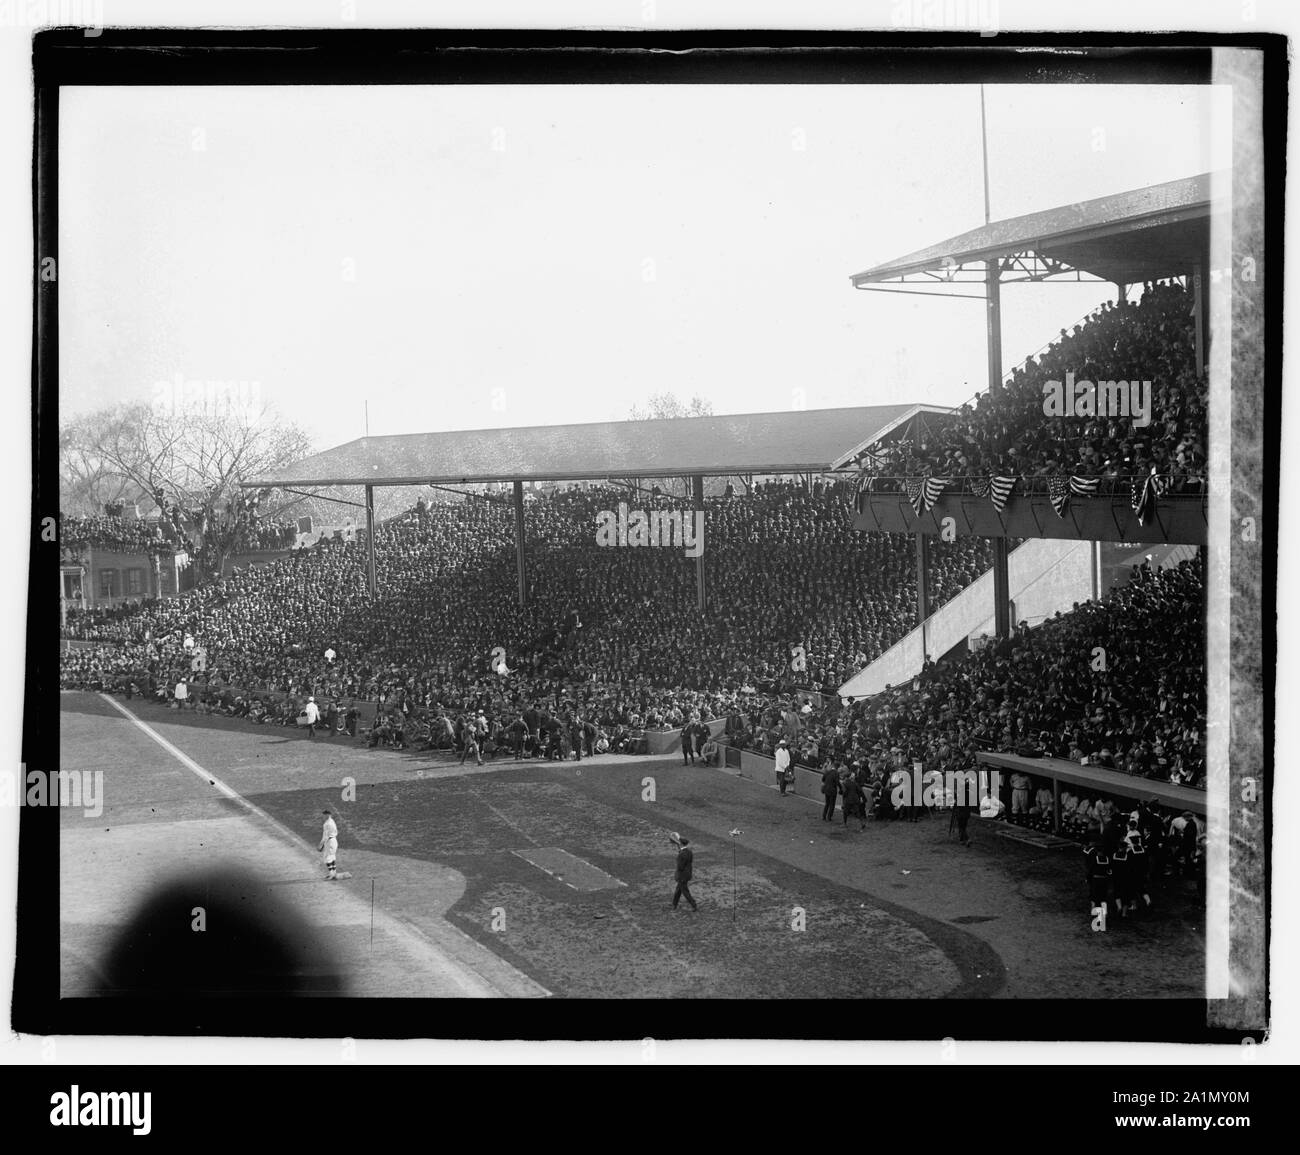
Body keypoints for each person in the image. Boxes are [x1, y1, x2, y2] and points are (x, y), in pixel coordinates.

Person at [671, 835, 698, 912]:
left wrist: (677, 874)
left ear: (681, 844)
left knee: (685, 891)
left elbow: (680, 867)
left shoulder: (681, 854)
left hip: (682, 876)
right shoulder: (689, 852)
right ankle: (674, 904)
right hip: (688, 874)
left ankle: (693, 904)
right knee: (678, 890)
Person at [319, 809, 339, 881]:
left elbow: (325, 836)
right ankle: (334, 873)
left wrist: (321, 845)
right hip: (333, 840)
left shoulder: (327, 824)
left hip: (329, 841)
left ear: (328, 815)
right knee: (332, 857)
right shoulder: (332, 821)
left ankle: (331, 874)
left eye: (324, 815)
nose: (323, 816)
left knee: (327, 858)